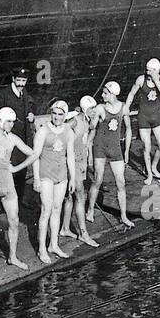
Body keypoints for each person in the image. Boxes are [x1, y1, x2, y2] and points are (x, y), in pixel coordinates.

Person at [0, 106, 38, 266]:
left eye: (13, 122)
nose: (11, 125)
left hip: (7, 185)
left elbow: (33, 154)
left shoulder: (12, 138)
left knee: (14, 220)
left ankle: (12, 256)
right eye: (8, 122)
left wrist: (17, 168)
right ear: (0, 120)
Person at [31, 100, 76, 263]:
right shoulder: (43, 131)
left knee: (57, 209)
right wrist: (36, 178)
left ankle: (54, 245)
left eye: (60, 114)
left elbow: (70, 156)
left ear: (65, 115)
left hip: (61, 175)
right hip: (46, 175)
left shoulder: (68, 132)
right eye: (54, 113)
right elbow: (35, 156)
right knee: (46, 210)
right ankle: (42, 249)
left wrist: (73, 177)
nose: (57, 117)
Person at [85, 82, 134, 228]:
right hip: (100, 148)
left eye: (105, 93)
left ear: (112, 94)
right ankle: (90, 210)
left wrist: (126, 151)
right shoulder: (100, 108)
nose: (102, 95)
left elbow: (129, 129)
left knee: (121, 183)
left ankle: (123, 216)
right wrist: (90, 118)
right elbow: (92, 128)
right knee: (98, 180)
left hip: (115, 148)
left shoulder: (124, 108)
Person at [0, 68, 38, 196]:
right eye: (19, 80)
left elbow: (31, 105)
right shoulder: (3, 94)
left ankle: (19, 200)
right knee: (6, 169)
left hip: (22, 138)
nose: (21, 84)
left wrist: (32, 113)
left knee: (21, 170)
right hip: (7, 139)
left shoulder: (24, 93)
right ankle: (4, 198)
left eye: (24, 80)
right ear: (13, 79)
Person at [60, 98, 100, 248]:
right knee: (80, 196)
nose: (94, 111)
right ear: (84, 109)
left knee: (70, 197)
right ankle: (84, 233)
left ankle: (65, 228)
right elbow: (60, 131)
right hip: (73, 163)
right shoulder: (74, 121)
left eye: (95, 108)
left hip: (81, 161)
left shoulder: (87, 120)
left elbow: (92, 130)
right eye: (91, 108)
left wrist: (88, 145)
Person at [125, 58, 160, 185]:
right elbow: (132, 93)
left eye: (150, 71)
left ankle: (154, 166)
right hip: (143, 117)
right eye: (146, 70)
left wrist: (156, 80)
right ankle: (149, 174)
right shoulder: (141, 79)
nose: (147, 72)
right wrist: (127, 107)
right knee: (146, 146)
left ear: (156, 71)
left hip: (156, 117)